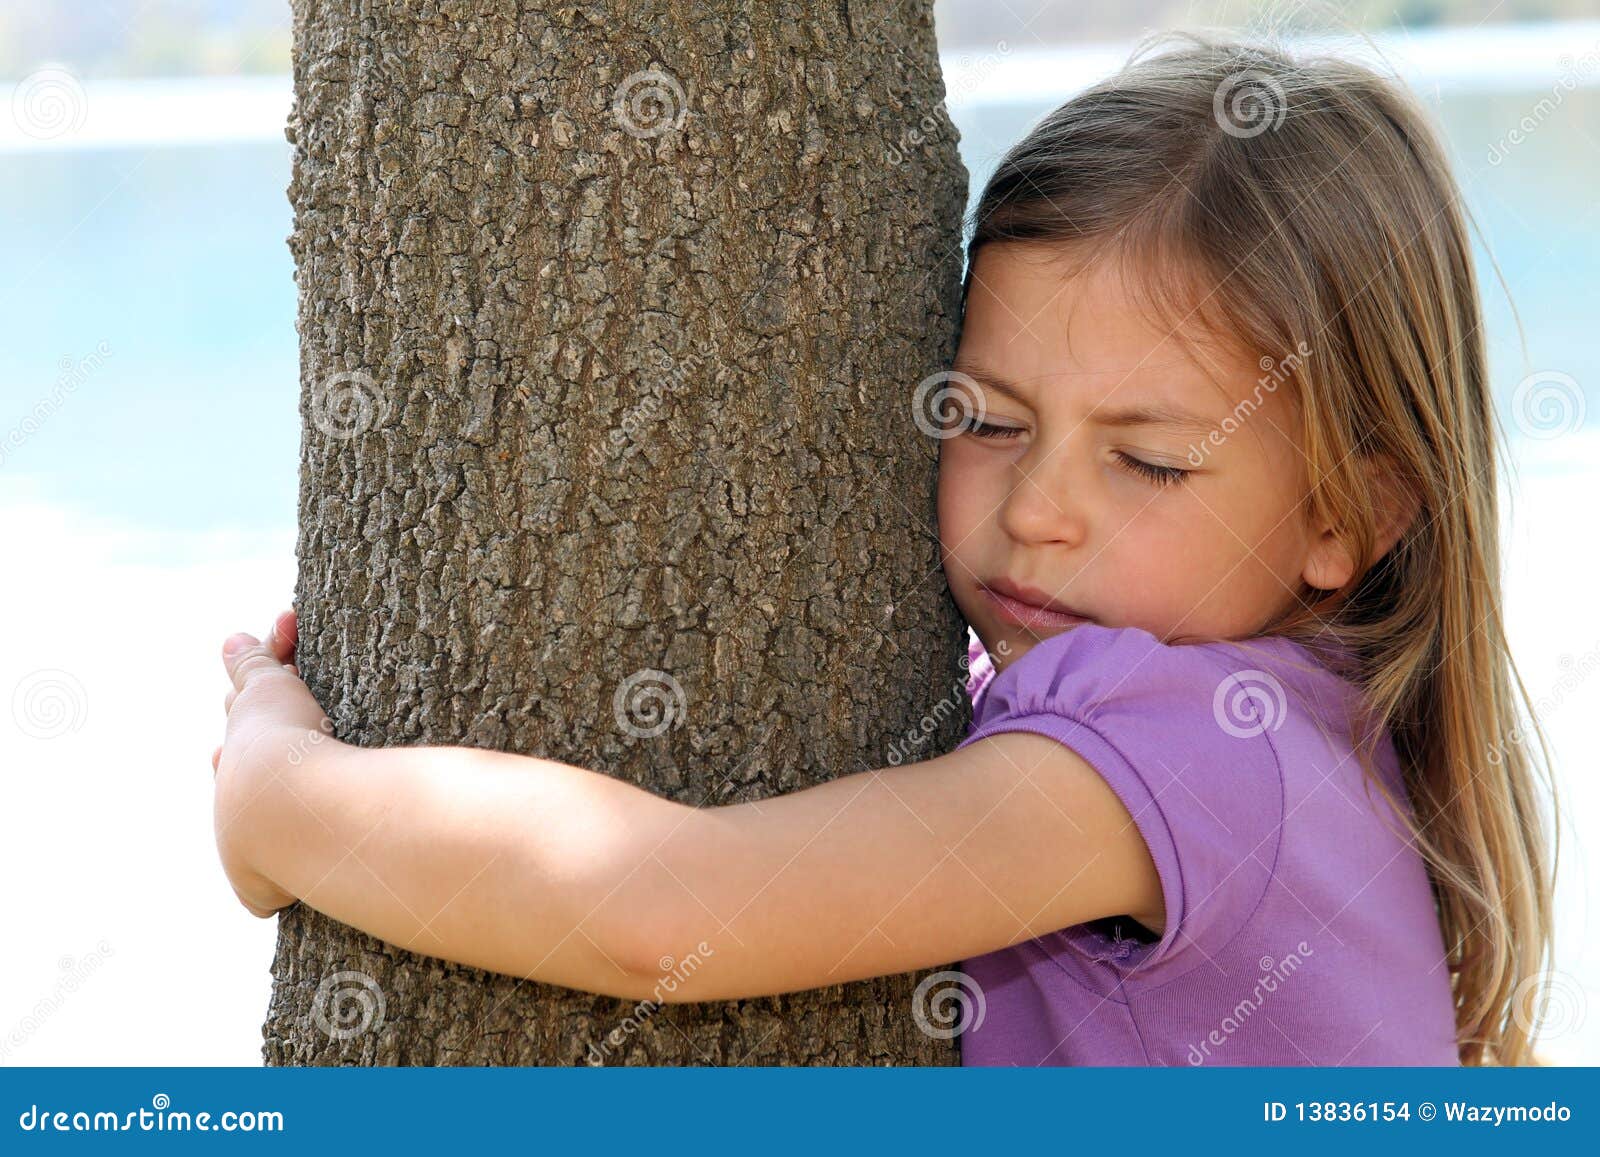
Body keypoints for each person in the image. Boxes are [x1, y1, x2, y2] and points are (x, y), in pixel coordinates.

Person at [210, 33, 1556, 1066]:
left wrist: (278, 795)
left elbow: (657, 913)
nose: (1036, 509)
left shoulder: (1202, 750)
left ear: (1350, 515)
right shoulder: (1298, 726)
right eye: (985, 419)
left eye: (1148, 460)